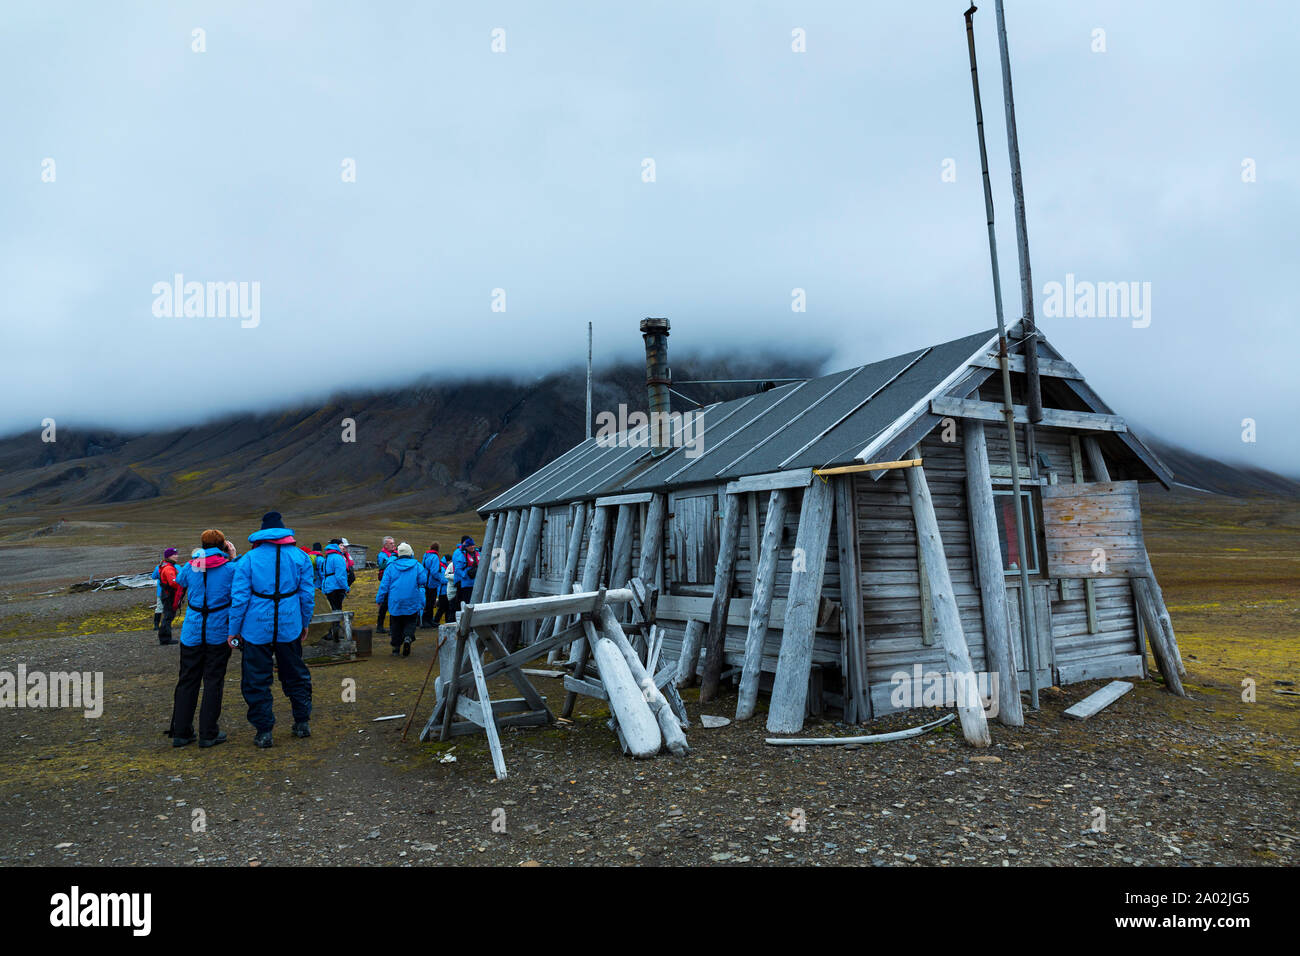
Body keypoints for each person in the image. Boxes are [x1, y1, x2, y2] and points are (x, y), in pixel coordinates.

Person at [228, 511, 316, 748]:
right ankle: (302, 722)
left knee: (256, 679)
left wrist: (234, 630)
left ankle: (264, 731)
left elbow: (239, 599)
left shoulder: (248, 559)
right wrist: (305, 622)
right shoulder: (300, 557)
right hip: (290, 625)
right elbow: (307, 595)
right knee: (296, 673)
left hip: (256, 627)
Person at [166, 530, 236, 748]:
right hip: (218, 632)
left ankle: (181, 732)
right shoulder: (230, 568)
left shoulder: (190, 566)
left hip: (193, 632)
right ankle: (208, 733)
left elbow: (182, 580)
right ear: (223, 545)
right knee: (213, 681)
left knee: (188, 680)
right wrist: (232, 556)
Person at [375, 542, 426, 656]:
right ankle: (408, 637)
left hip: (395, 600)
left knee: (395, 623)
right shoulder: (417, 566)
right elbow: (422, 582)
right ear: (410, 553)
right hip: (412, 599)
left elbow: (384, 585)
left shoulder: (391, 566)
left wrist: (379, 599)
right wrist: (422, 602)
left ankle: (396, 648)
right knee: (411, 621)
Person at [317, 539, 351, 639]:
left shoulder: (327, 557)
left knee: (330, 609)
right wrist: (346, 587)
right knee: (337, 610)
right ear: (336, 546)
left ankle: (329, 632)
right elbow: (340, 576)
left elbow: (323, 573)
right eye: (341, 545)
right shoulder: (338, 557)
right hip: (337, 587)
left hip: (328, 586)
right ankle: (335, 633)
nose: (343, 547)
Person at [155, 547, 185, 646]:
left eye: (176, 554)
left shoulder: (166, 566)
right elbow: (173, 583)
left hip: (167, 594)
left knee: (168, 616)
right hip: (169, 595)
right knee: (168, 617)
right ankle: (165, 639)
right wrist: (183, 584)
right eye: (174, 555)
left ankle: (165, 637)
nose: (176, 556)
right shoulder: (168, 568)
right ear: (168, 556)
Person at [449, 535, 479, 620]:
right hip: (465, 583)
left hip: (476, 582)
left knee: (474, 602)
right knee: (464, 602)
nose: (472, 547)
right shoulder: (460, 554)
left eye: (473, 545)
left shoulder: (477, 554)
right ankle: (462, 619)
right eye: (470, 545)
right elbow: (457, 569)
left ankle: (473, 619)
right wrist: (465, 575)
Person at [420, 543, 445, 628]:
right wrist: (439, 578)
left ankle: (427, 620)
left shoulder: (426, 555)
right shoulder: (435, 557)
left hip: (426, 581)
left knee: (428, 602)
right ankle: (427, 620)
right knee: (430, 602)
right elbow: (435, 571)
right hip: (432, 583)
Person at [375, 536, 397, 634]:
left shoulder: (394, 554)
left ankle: (392, 627)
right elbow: (383, 565)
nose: (393, 545)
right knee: (384, 605)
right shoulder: (382, 555)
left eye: (393, 543)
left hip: (393, 582)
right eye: (391, 543)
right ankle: (380, 626)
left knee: (391, 604)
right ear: (385, 545)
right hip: (387, 582)